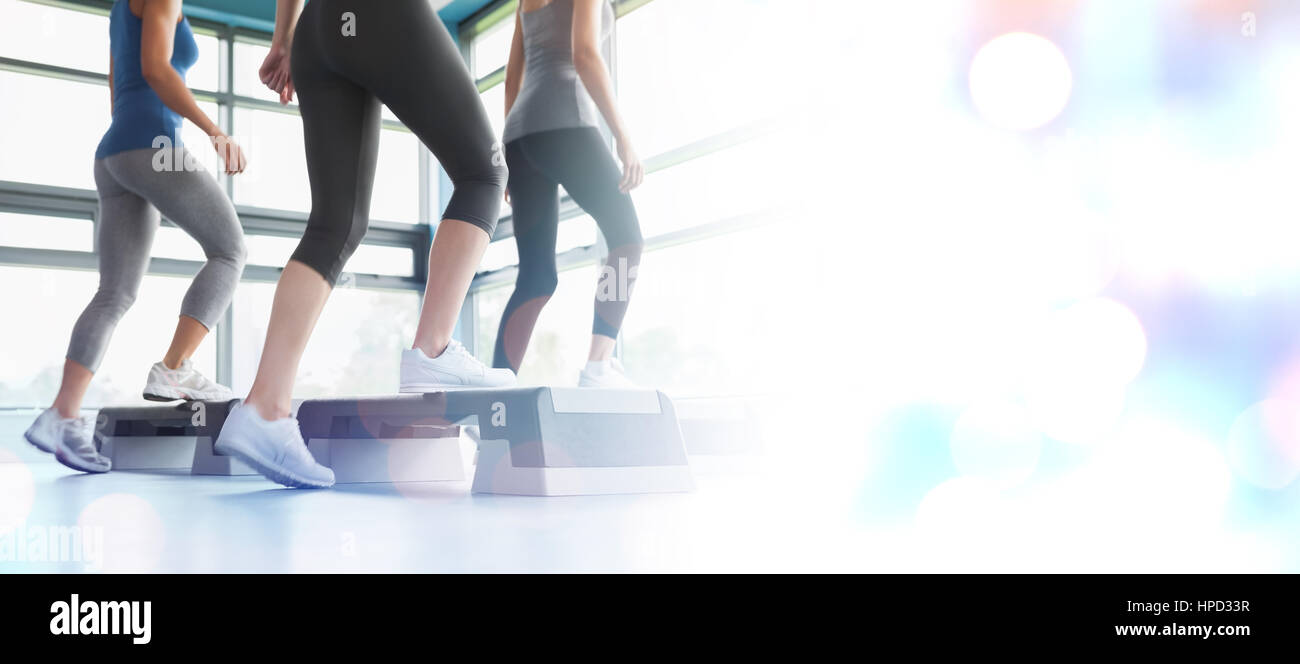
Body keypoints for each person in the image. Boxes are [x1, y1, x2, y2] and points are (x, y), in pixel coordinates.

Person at [213, 0, 513, 489]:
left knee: (335, 223)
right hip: (378, 13)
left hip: (316, 29)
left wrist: (284, 38)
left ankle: (264, 408)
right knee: (485, 172)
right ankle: (431, 354)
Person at [25, 0, 247, 474]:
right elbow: (157, 70)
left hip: (115, 151)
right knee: (230, 251)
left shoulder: (120, 8)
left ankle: (61, 414)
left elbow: (117, 83)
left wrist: (134, 151)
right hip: (153, 141)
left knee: (114, 294)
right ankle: (175, 367)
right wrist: (214, 130)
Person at [493, 0, 646, 388]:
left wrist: (507, 151)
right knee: (626, 238)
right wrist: (624, 137)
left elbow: (514, 74)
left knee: (536, 276)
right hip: (566, 121)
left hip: (520, 136)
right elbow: (585, 55)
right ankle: (598, 365)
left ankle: (496, 384)